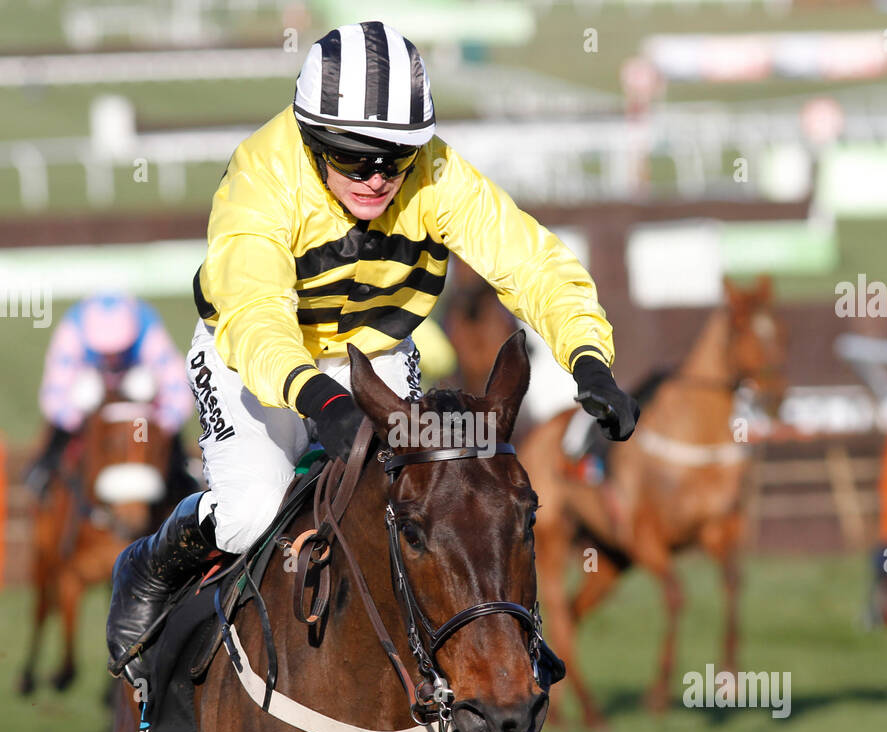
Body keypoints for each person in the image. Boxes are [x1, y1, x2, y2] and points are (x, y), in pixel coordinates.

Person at [106, 21, 641, 686]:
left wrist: (588, 358)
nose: (380, 178)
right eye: (355, 158)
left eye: (397, 158)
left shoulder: (436, 173)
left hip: (375, 349)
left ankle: (495, 637)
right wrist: (318, 400)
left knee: (431, 500)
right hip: (252, 354)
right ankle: (155, 563)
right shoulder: (261, 175)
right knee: (252, 514)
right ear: (313, 140)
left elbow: (533, 265)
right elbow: (254, 316)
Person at [26, 292, 195, 497]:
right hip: (91, 402)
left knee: (143, 385)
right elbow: (55, 391)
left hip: (138, 409)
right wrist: (79, 421)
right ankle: (45, 468)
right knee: (85, 391)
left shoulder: (146, 326)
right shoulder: (73, 329)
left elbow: (176, 385)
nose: (112, 358)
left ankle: (181, 471)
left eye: (119, 349)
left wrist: (162, 423)